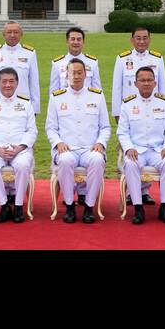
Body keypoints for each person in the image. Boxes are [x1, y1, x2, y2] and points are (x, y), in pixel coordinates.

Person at [46, 57, 110, 224]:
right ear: (66, 74)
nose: (76, 76)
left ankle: (89, 207)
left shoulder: (97, 96)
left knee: (97, 160)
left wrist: (100, 143)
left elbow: (105, 127)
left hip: (90, 148)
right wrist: (58, 143)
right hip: (68, 148)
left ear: (85, 74)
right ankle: (69, 206)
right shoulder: (57, 97)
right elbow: (51, 128)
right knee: (66, 161)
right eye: (72, 72)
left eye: (79, 72)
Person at [117, 66, 165, 225]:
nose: (146, 83)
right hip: (137, 150)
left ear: (155, 82)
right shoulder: (128, 104)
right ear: (135, 83)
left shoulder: (164, 103)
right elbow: (122, 132)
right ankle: (138, 208)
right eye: (142, 80)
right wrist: (129, 147)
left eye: (149, 80)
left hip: (158, 151)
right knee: (130, 164)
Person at [0, 67, 37, 224]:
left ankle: (18, 206)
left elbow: (32, 131)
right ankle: (4, 205)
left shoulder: (26, 103)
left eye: (11, 81)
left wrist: (18, 148)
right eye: (4, 81)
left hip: (20, 150)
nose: (7, 85)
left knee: (23, 165)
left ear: (17, 83)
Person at [0, 21, 41, 114]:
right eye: (9, 32)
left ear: (21, 34)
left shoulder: (30, 53)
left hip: (22, 104)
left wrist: (35, 109)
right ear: (3, 34)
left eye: (16, 32)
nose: (12, 35)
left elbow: (34, 83)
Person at [112, 26, 165, 119]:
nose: (142, 42)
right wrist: (117, 112)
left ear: (149, 40)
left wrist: (164, 107)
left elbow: (162, 86)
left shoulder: (157, 59)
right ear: (132, 40)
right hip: (130, 108)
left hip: (153, 107)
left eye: (145, 38)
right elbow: (117, 87)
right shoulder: (122, 59)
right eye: (138, 38)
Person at [50, 27, 103, 94]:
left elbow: (97, 90)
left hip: (86, 102)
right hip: (65, 103)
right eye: (72, 39)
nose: (76, 42)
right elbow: (53, 92)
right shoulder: (57, 64)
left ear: (83, 42)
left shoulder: (92, 63)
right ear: (67, 41)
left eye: (79, 39)